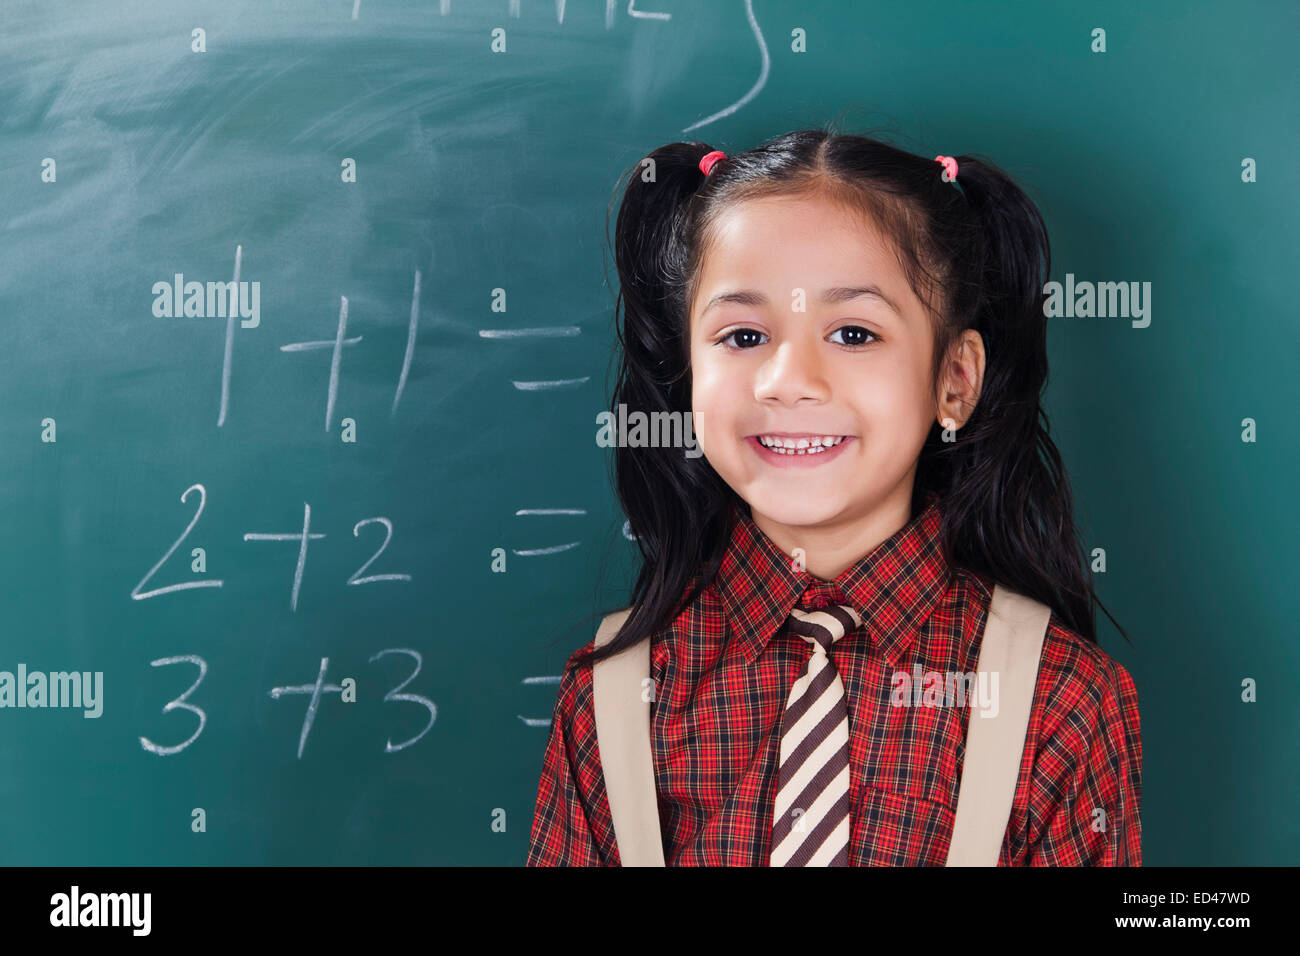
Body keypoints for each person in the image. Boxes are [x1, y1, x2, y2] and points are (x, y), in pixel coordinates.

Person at [527, 129, 1141, 866]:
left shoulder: (1063, 698)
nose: (790, 379)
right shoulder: (615, 693)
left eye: (853, 332)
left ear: (954, 379)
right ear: (689, 377)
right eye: (743, 334)